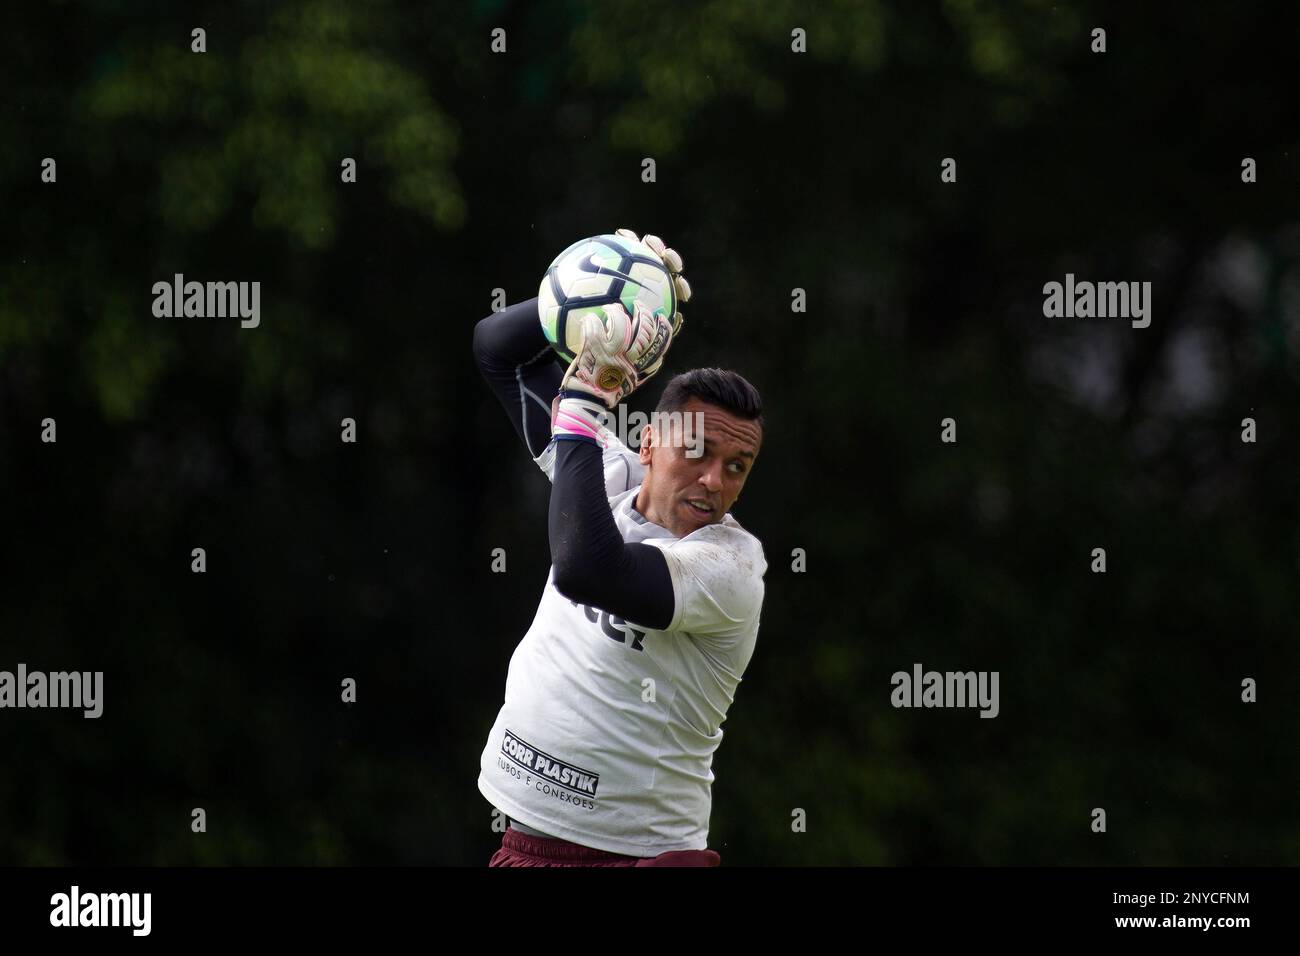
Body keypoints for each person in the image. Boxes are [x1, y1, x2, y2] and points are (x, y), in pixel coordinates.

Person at [471, 229, 766, 867]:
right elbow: (498, 347)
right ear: (653, 441)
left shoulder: (732, 568)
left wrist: (582, 404)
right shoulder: (604, 472)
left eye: (738, 466)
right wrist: (600, 290)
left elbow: (587, 569)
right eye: (699, 451)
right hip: (526, 845)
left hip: (632, 860)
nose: (715, 481)